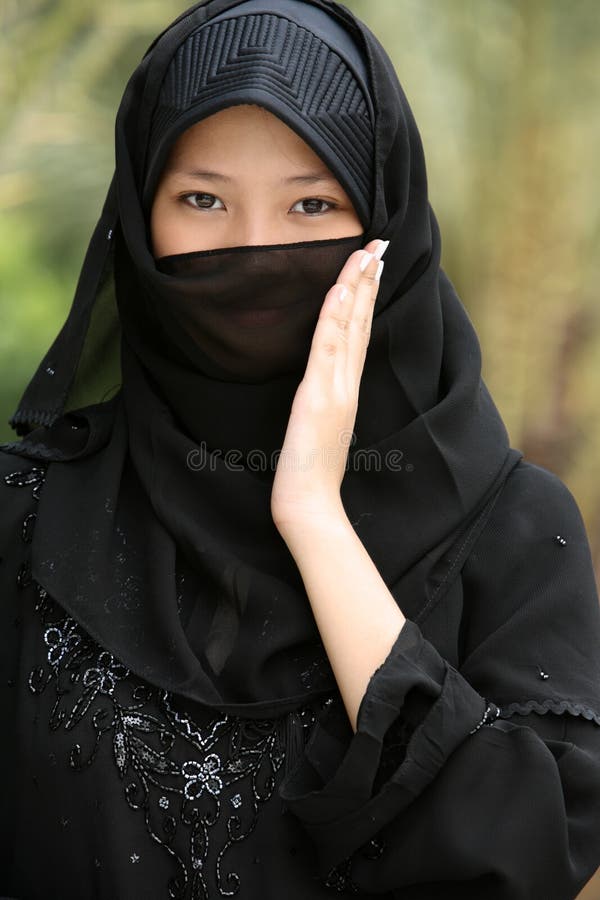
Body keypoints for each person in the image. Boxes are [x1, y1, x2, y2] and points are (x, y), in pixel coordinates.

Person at [1, 0, 600, 897]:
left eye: (312, 203)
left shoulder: (513, 531)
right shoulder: (25, 514)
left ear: (385, 227)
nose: (255, 250)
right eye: (202, 199)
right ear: (137, 215)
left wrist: (316, 518)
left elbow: (520, 862)